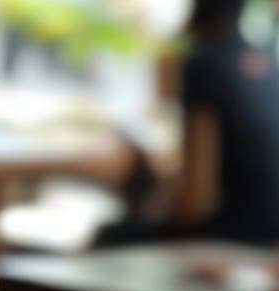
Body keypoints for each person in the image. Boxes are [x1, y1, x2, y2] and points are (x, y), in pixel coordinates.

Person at [96, 0, 279, 246]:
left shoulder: (204, 66)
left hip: (234, 237)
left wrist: (149, 214)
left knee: (108, 235)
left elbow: (194, 201)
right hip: (270, 232)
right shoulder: (263, 62)